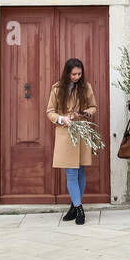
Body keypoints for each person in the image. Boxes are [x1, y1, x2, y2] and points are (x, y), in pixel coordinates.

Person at [46, 58, 97, 225]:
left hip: (82, 132)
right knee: (71, 173)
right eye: (74, 74)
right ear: (67, 73)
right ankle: (79, 208)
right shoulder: (56, 89)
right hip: (65, 133)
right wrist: (62, 119)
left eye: (79, 74)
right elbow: (50, 112)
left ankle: (74, 207)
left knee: (81, 170)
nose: (77, 77)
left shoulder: (86, 87)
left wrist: (82, 113)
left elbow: (93, 107)